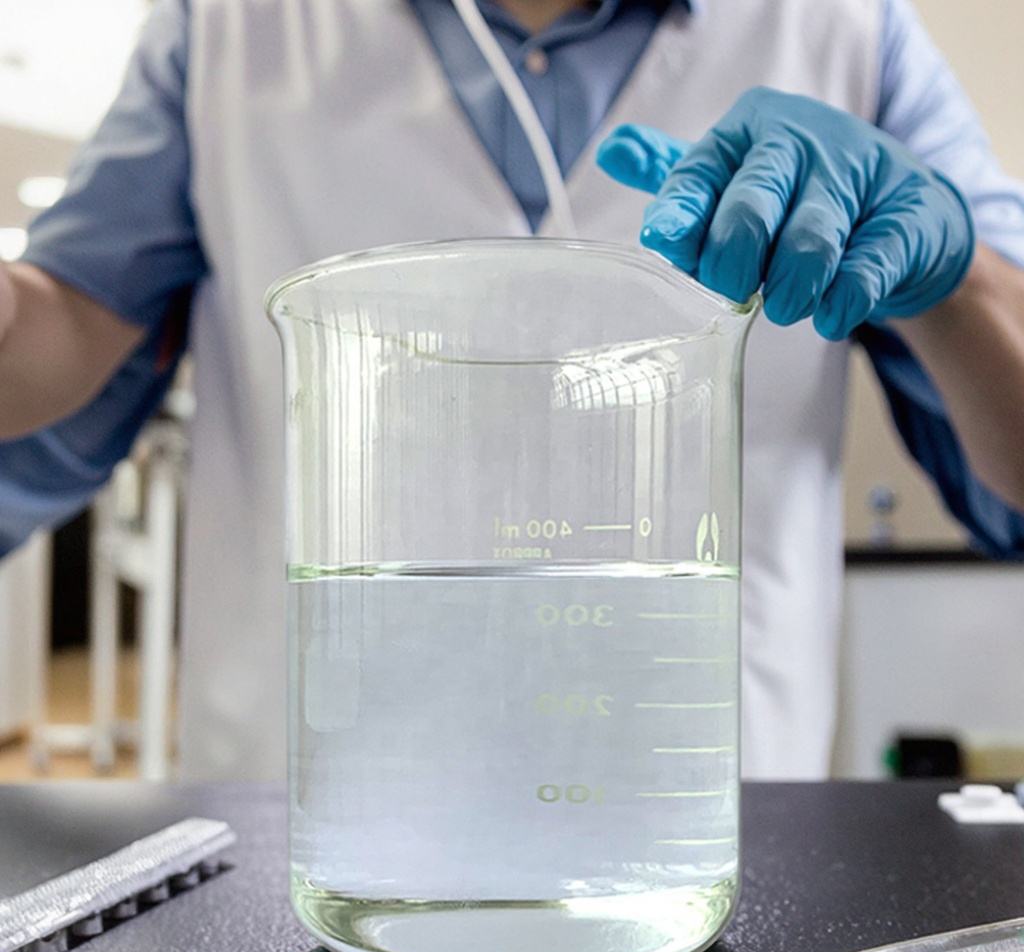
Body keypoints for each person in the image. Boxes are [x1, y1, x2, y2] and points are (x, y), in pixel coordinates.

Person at [0, 0, 1022, 780]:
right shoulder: (228, 22)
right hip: (316, 816)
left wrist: (961, 279)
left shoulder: (845, 26)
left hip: (701, 822)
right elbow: (62, 329)